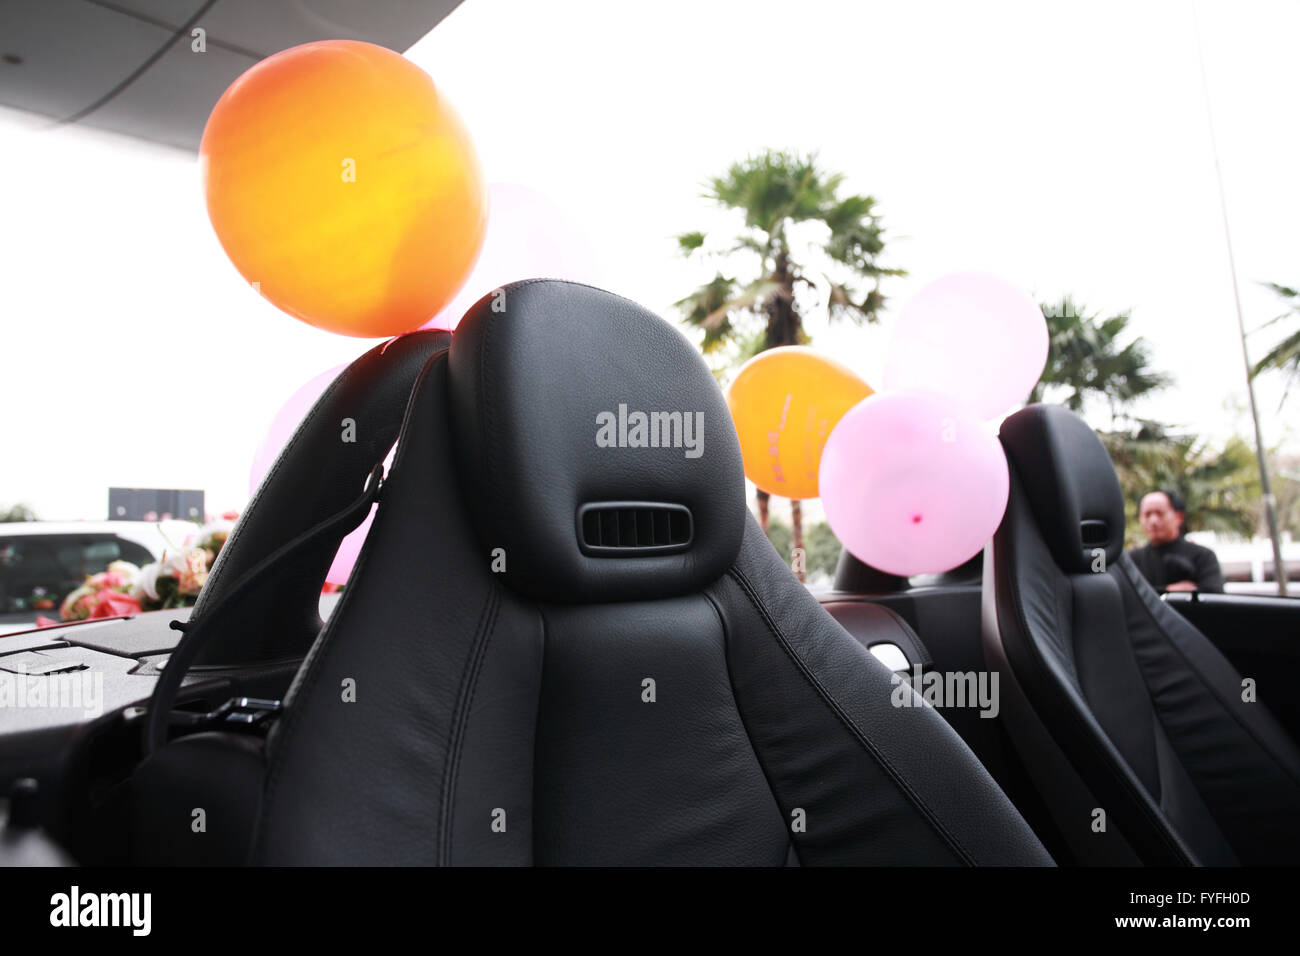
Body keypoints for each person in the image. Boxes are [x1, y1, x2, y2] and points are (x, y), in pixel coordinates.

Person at [1127, 489, 1224, 593]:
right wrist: (1170, 590)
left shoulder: (1203, 557)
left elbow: (1213, 596)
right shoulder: (1132, 560)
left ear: (1179, 517)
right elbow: (1126, 595)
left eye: (1159, 513)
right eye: (1147, 514)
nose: (1153, 521)